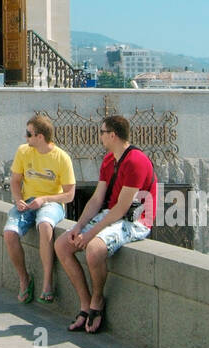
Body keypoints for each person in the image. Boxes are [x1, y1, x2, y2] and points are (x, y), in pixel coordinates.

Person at [55, 115, 157, 334]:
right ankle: (85, 303)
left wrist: (90, 234)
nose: (99, 136)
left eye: (102, 132)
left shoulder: (136, 161)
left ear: (113, 135)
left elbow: (123, 209)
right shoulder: (109, 160)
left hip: (136, 220)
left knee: (94, 249)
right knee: (62, 245)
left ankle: (97, 301)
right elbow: (96, 199)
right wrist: (78, 227)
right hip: (111, 214)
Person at [2, 114, 75, 304]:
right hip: (27, 202)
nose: (25, 138)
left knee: (44, 225)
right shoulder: (23, 152)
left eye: (29, 134)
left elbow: (69, 195)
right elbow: (16, 181)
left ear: (40, 137)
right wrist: (18, 200)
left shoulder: (62, 158)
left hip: (52, 202)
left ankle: (48, 281)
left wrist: (44, 199)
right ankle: (24, 279)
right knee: (9, 233)